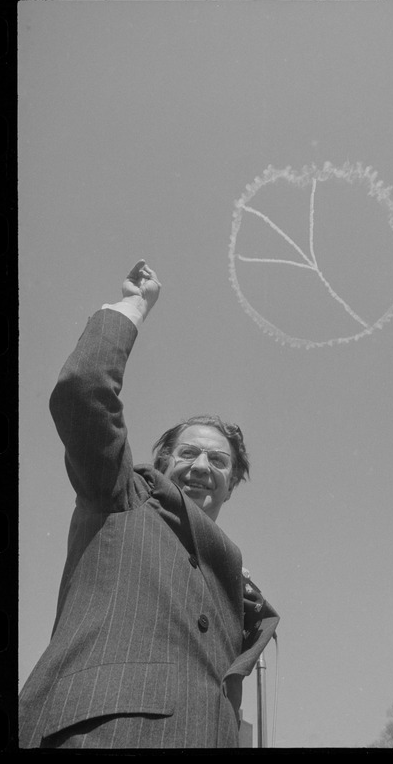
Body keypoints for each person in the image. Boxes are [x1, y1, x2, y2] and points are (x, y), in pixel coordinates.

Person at [18, 260, 279, 749]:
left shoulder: (233, 582)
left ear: (231, 484)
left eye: (218, 460)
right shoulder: (123, 495)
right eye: (188, 453)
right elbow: (83, 391)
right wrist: (133, 306)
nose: (203, 465)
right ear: (161, 463)